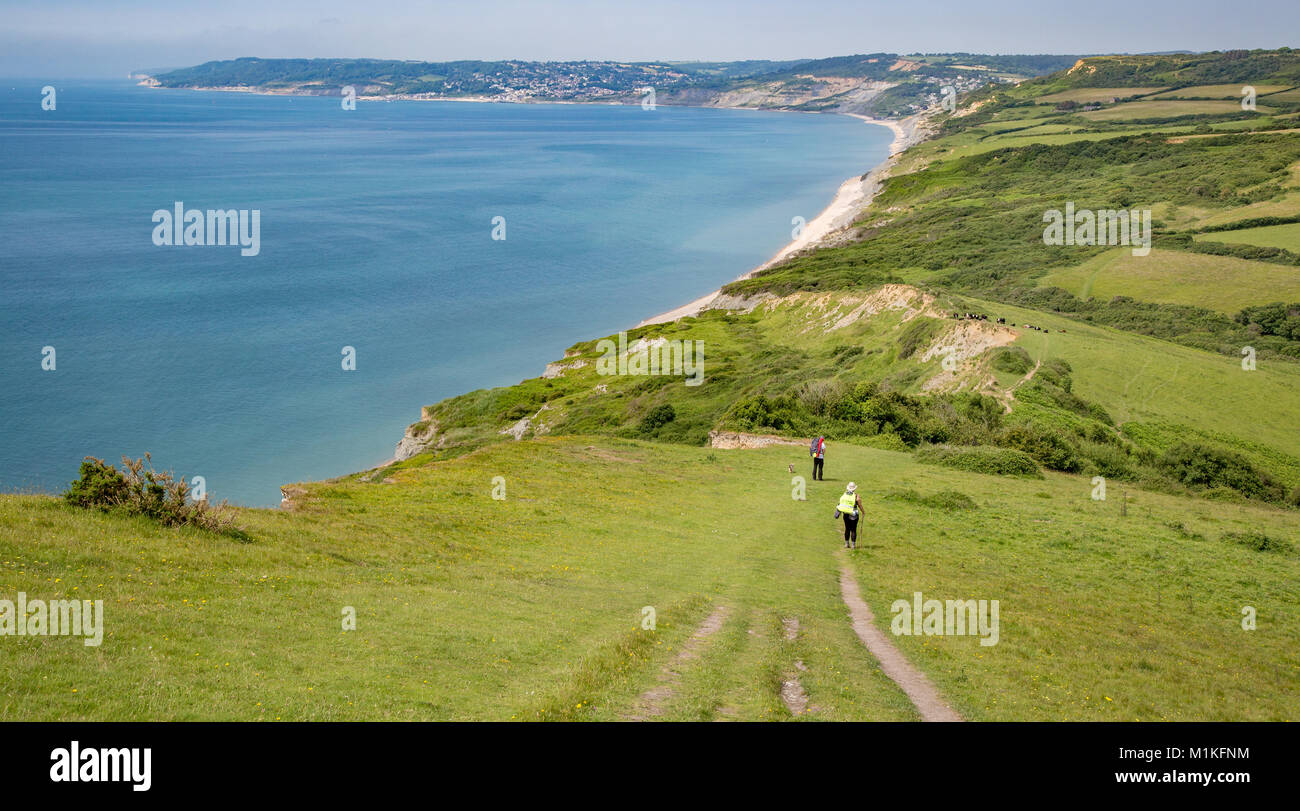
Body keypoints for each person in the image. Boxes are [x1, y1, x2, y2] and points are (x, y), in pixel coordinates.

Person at [836, 482, 862, 549]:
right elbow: (859, 505)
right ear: (854, 489)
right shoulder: (856, 495)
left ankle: (846, 544)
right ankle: (853, 545)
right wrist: (863, 512)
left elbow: (841, 503)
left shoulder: (844, 494)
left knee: (847, 529)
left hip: (846, 514)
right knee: (853, 530)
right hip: (854, 514)